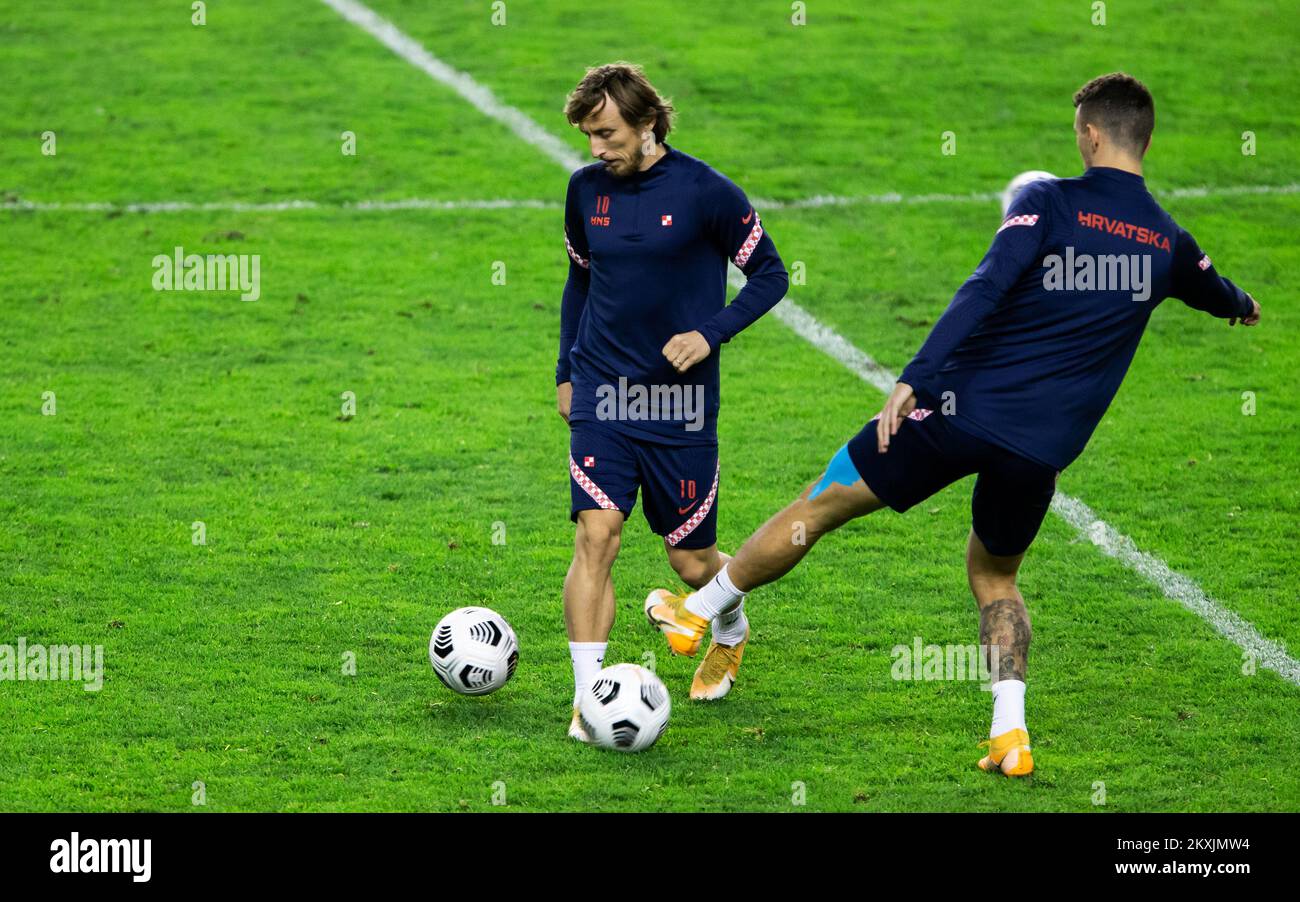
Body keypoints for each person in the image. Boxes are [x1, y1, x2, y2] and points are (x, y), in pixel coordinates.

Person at [646, 72, 1261, 776]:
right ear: (1146, 139)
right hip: (1040, 450)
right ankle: (1010, 735)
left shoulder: (1048, 201)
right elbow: (1216, 290)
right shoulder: (1167, 240)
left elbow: (987, 286)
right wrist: (1242, 304)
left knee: (821, 506)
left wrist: (917, 376)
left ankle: (702, 609)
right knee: (996, 577)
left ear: (1089, 135)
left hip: (958, 413)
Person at [557, 63, 789, 739]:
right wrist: (565, 371)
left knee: (688, 561)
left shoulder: (705, 191)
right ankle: (588, 697)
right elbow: (578, 282)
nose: (597, 149)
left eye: (606, 133)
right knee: (596, 534)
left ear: (648, 122)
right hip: (604, 390)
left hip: (680, 409)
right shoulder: (584, 191)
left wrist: (709, 334)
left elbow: (771, 276)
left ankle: (730, 621)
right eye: (588, 137)